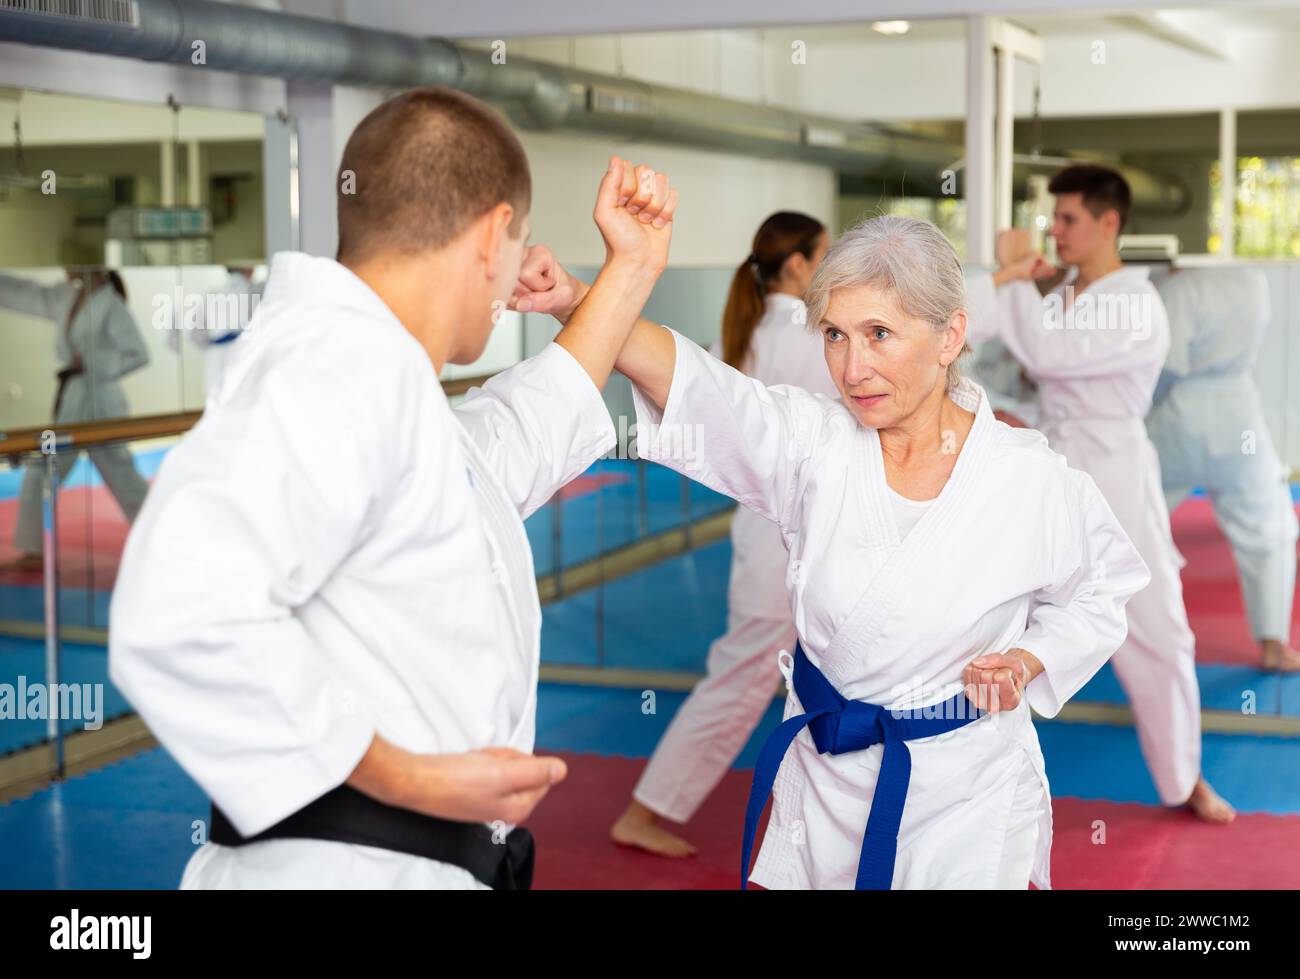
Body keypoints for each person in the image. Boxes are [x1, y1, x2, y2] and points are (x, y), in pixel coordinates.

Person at [109, 86, 678, 889]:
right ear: (491, 236)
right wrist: (408, 776)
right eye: (517, 242)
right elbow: (178, 607)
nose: (519, 267)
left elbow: (526, 427)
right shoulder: (340, 366)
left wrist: (633, 267)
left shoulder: (389, 384)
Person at [514, 214, 1150, 889]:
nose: (852, 368)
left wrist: (1029, 658)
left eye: (879, 334)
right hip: (824, 780)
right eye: (835, 335)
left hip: (965, 787)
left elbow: (1104, 584)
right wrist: (575, 299)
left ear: (950, 335)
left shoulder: (1028, 475)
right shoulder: (813, 444)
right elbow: (699, 388)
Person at [965, 163, 1235, 823]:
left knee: (1159, 632)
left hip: (1116, 474)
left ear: (1109, 222)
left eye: (1068, 219)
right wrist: (1005, 285)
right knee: (988, 615)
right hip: (1047, 468)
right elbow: (970, 331)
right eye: (1052, 219)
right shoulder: (1059, 297)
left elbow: (1054, 355)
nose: (1055, 232)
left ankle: (1184, 777)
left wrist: (1017, 270)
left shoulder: (1136, 303)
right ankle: (961, 779)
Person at [611, 211, 834, 857]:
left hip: (777, 527)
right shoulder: (801, 332)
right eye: (824, 256)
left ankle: (831, 820)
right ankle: (646, 808)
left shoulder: (758, 326)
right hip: (782, 535)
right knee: (743, 677)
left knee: (819, 673)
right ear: (797, 265)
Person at [1146, 265, 1299, 671]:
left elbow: (1166, 367)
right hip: (1237, 412)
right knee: (1269, 526)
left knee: (1132, 522)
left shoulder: (1175, 287)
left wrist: (1135, 410)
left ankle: (1114, 634)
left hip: (1176, 416)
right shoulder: (1253, 280)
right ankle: (1273, 643)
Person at [0, 267, 150, 572]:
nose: (65, 267)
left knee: (123, 477)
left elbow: (139, 353)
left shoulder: (111, 305)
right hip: (75, 399)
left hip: (102, 401)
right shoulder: (66, 296)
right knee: (41, 468)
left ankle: (163, 532)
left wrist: (93, 363)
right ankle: (34, 549)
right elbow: (28, 295)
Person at [166, 265, 264, 401]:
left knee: (218, 404)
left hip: (218, 359)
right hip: (250, 357)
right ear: (249, 268)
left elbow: (192, 331)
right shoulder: (262, 291)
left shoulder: (211, 294)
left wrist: (211, 345)